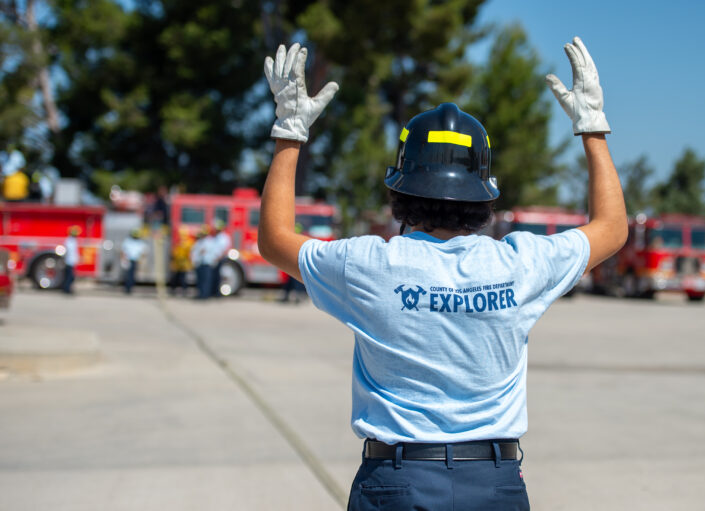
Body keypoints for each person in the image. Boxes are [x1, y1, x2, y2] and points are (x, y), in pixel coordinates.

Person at [258, 39, 627, 510]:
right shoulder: (520, 265)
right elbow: (613, 230)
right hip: (494, 486)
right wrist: (592, 126)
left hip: (396, 483)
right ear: (484, 193)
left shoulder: (369, 265)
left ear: (400, 188)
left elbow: (273, 237)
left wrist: (290, 131)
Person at [191, 226, 216, 300]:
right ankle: (200, 294)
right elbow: (195, 252)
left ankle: (205, 295)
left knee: (206, 281)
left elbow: (205, 251)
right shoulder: (199, 242)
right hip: (200, 263)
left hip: (207, 264)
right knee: (200, 280)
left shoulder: (209, 241)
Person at [120, 229, 147, 294]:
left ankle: (130, 288)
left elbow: (143, 252)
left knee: (132, 275)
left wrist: (142, 260)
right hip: (128, 260)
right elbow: (123, 251)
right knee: (128, 275)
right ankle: (127, 288)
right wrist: (123, 259)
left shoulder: (140, 242)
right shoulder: (128, 241)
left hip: (135, 260)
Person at [169, 227, 194, 296]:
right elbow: (174, 252)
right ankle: (173, 290)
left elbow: (190, 253)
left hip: (184, 263)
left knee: (183, 278)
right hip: (177, 263)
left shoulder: (189, 242)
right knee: (175, 278)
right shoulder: (178, 242)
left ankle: (184, 290)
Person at [211, 220, 232, 297]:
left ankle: (217, 293)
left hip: (220, 259)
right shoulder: (215, 237)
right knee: (214, 276)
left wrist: (219, 258)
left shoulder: (224, 237)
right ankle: (213, 292)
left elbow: (225, 249)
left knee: (218, 277)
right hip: (214, 259)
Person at [62, 226, 80, 295]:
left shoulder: (72, 240)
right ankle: (67, 289)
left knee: (70, 276)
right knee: (70, 277)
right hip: (69, 261)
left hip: (71, 261)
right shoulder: (70, 241)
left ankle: (67, 288)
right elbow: (69, 252)